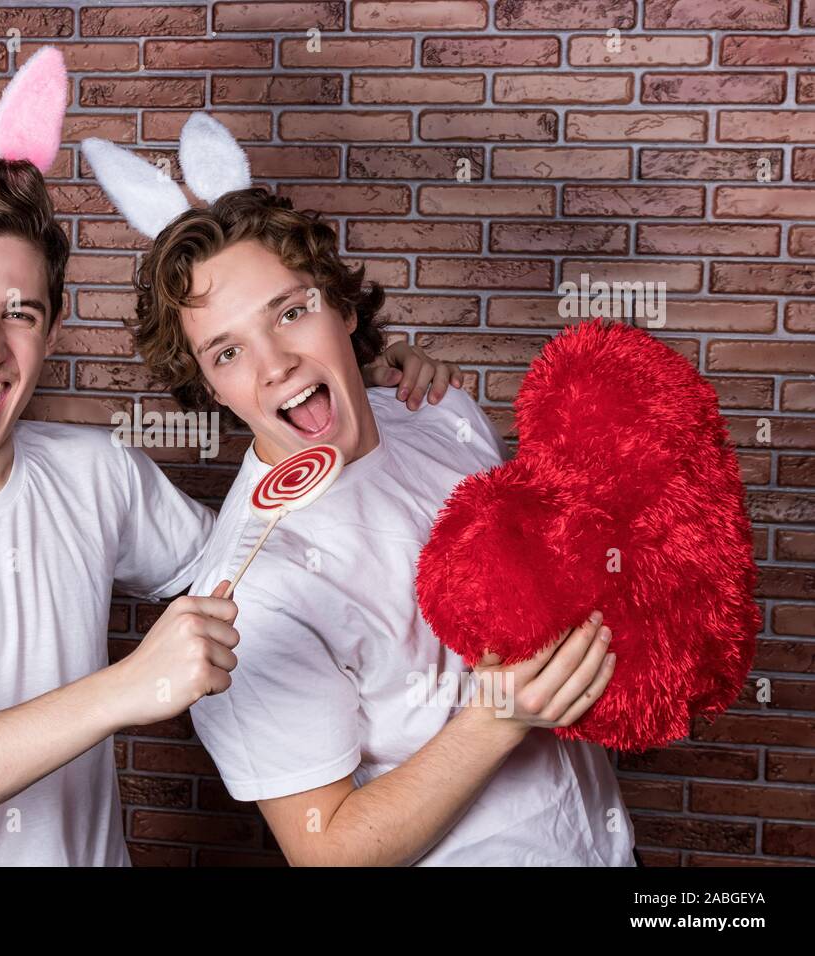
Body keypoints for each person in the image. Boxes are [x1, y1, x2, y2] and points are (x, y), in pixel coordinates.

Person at [0, 153, 462, 865]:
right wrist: (130, 687)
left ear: (52, 328)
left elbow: (247, 562)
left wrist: (351, 370)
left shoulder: (96, 473)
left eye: (20, 313)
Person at [128, 186, 637, 866]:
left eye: (290, 312)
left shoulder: (437, 409)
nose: (274, 363)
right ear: (210, 390)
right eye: (227, 353)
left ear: (339, 305)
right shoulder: (255, 592)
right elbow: (325, 849)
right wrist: (498, 719)